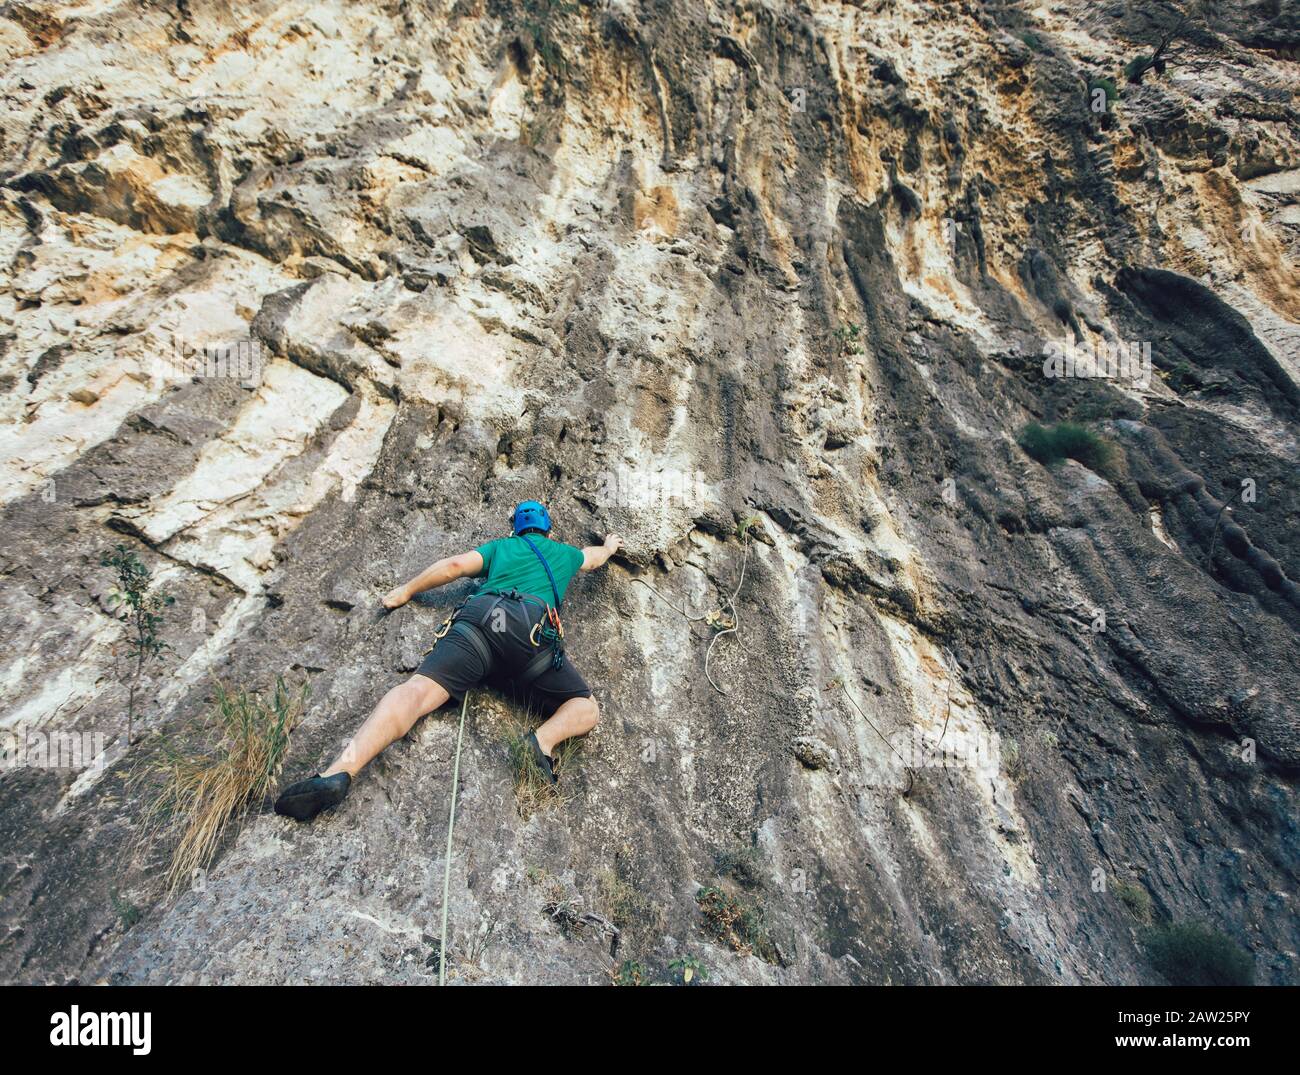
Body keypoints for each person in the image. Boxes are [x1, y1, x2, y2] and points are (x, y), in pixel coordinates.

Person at [274, 501, 622, 821]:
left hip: (479, 626)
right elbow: (592, 558)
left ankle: (340, 770)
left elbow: (454, 566)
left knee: (418, 692)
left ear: (515, 528)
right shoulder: (562, 553)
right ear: (549, 531)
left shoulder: (502, 547)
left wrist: (406, 591)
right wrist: (608, 547)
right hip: (530, 637)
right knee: (586, 708)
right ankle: (542, 743)